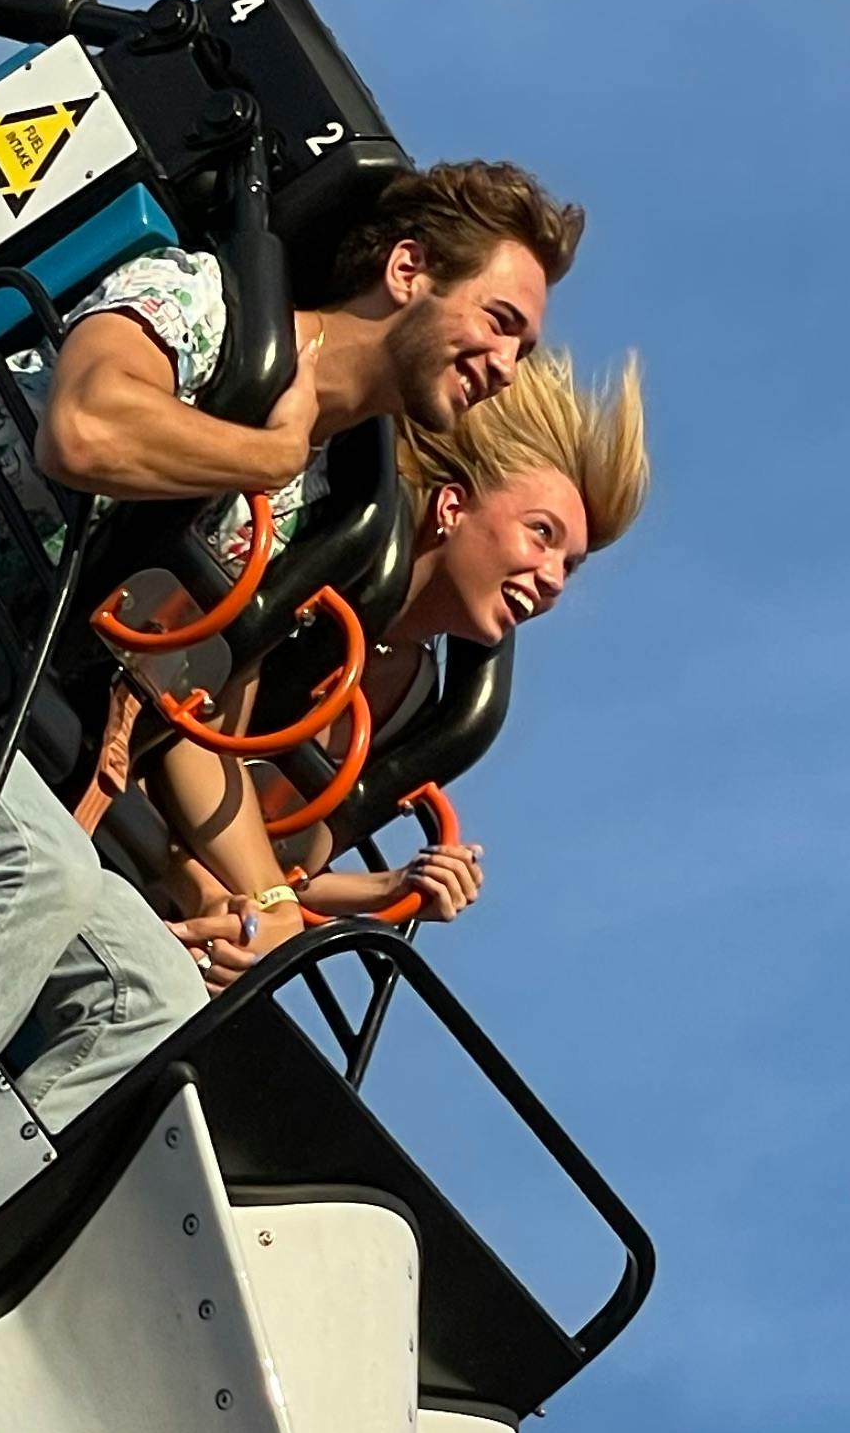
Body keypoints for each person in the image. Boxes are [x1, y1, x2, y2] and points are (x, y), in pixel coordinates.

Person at [0, 159, 584, 1128]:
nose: (506, 364)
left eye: (524, 348)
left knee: (151, 999)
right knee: (37, 873)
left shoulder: (309, 507)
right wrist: (263, 452)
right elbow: (82, 427)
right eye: (499, 322)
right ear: (408, 268)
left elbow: (190, 735)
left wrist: (275, 908)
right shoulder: (206, 304)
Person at [135, 341, 649, 978]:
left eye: (569, 569)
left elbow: (280, 868)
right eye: (541, 535)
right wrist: (252, 900)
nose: (552, 580)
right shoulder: (319, 557)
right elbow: (178, 734)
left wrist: (391, 889)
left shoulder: (418, 704)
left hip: (183, 908)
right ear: (452, 507)